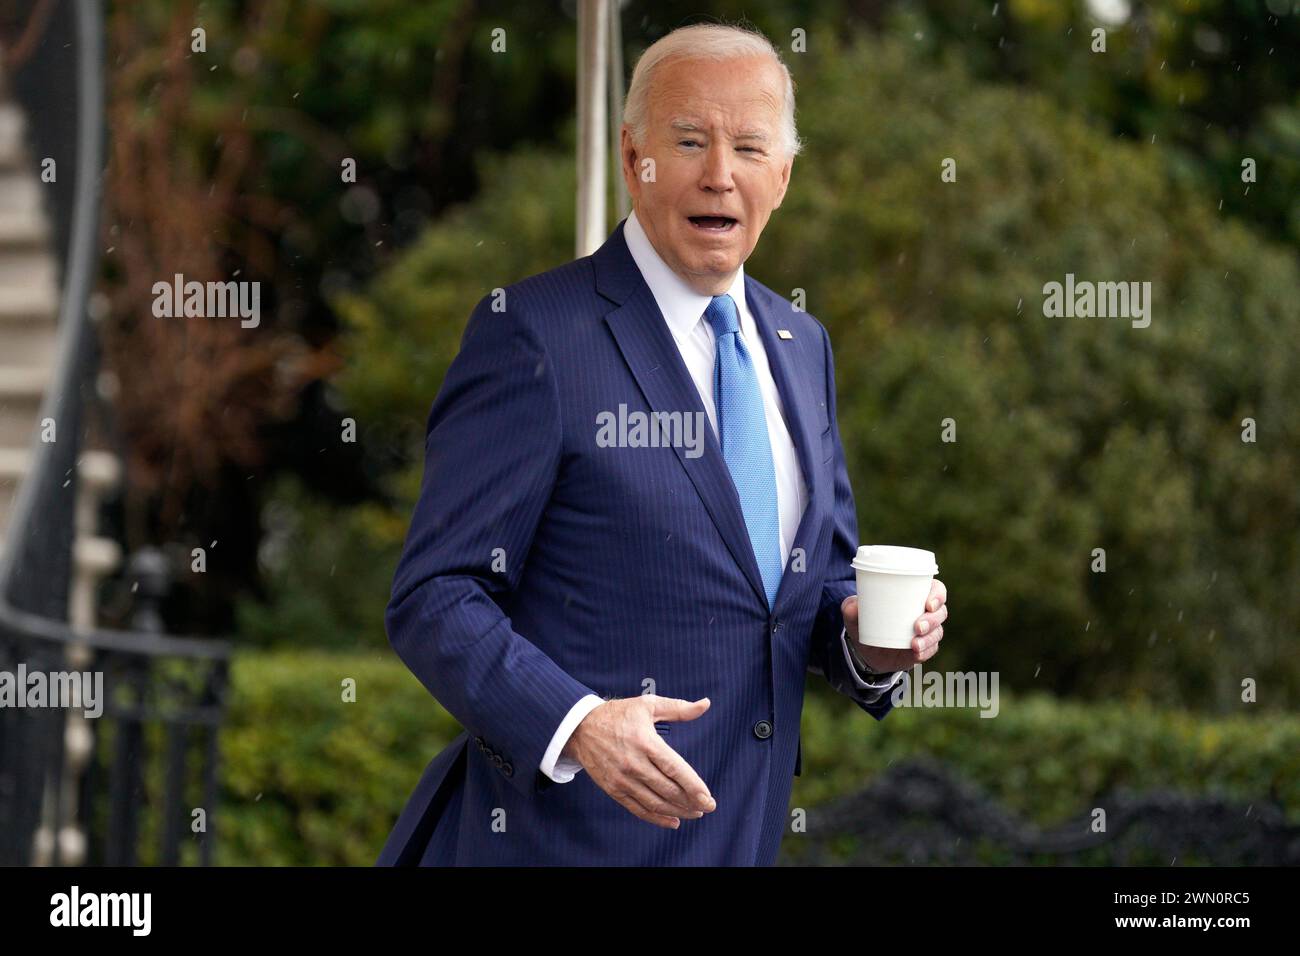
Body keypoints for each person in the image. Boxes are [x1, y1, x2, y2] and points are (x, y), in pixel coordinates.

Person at [377, 22, 948, 866]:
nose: (720, 173)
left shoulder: (803, 346)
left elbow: (810, 591)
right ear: (632, 155)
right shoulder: (536, 334)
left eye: (750, 147)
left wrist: (867, 641)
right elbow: (434, 594)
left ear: (783, 176)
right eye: (689, 141)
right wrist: (579, 724)